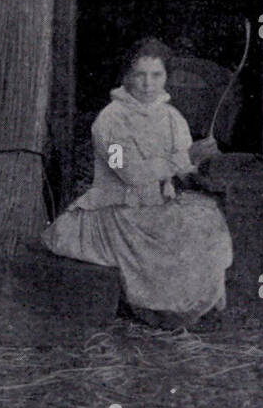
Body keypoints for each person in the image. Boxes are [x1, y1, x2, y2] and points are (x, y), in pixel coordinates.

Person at [43, 38, 233, 326]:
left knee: (207, 217)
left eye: (156, 75)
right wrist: (183, 156)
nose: (148, 84)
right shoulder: (110, 120)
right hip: (119, 210)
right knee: (179, 230)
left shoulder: (172, 118)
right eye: (139, 75)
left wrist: (202, 160)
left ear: (166, 77)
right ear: (126, 77)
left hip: (157, 206)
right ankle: (160, 310)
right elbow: (128, 172)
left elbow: (183, 172)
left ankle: (192, 307)